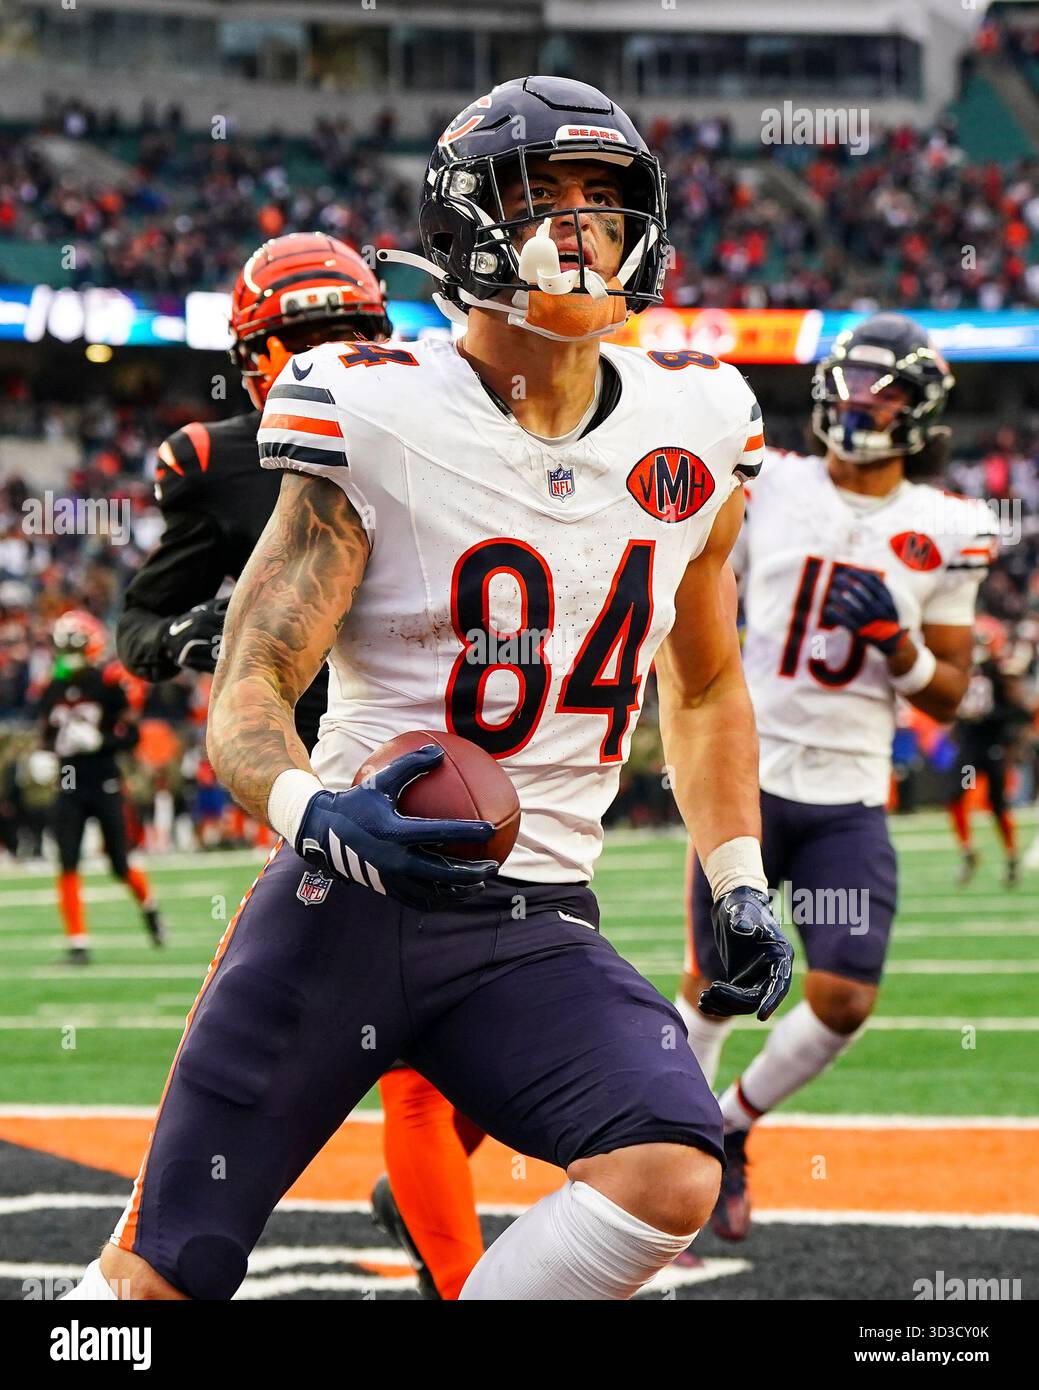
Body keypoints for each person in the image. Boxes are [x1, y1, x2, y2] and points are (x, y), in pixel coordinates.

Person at [63, 75, 791, 1303]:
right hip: (342, 897)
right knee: (161, 1278)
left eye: (603, 202)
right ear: (463, 225)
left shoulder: (700, 418)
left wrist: (736, 878)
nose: (577, 229)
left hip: (535, 920)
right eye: (542, 196)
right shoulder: (372, 405)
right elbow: (249, 686)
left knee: (672, 1166)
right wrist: (313, 810)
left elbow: (708, 682)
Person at [676, 313, 996, 1241]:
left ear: (919, 413)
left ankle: (731, 1123)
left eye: (881, 391)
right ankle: (677, 1159)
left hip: (848, 793)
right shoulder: (767, 481)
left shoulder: (949, 526)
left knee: (845, 995)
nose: (858, 403)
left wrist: (895, 646)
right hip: (746, 771)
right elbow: (697, 599)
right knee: (715, 981)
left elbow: (947, 694)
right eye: (849, 383)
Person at [117, 232, 391, 753]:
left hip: (457, 723)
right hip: (315, 757)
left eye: (346, 332)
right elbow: (140, 623)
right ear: (250, 357)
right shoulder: (217, 463)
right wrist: (185, 635)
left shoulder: (440, 424)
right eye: (299, 340)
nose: (327, 356)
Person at [38, 610, 163, 962]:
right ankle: (78, 943)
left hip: (104, 780)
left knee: (119, 864)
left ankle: (149, 906)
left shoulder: (107, 685)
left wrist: (100, 741)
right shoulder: (52, 688)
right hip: (68, 782)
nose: (66, 654)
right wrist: (44, 755)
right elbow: (47, 736)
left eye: (72, 645)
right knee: (67, 861)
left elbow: (132, 735)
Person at [948, 615, 1031, 888]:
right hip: (972, 749)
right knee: (959, 795)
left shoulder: (998, 673)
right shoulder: (960, 669)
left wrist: (987, 716)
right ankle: (969, 851)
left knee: (998, 806)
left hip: (992, 747)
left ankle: (1010, 856)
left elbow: (1019, 712)